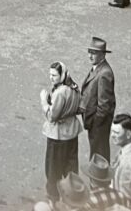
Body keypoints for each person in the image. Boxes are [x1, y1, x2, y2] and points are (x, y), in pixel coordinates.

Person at [40, 60, 83, 203]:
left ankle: (53, 199)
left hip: (57, 136)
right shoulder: (75, 89)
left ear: (62, 75)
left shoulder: (60, 92)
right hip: (71, 133)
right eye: (50, 75)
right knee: (70, 167)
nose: (51, 78)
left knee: (53, 169)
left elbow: (52, 116)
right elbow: (79, 108)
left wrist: (44, 102)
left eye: (54, 75)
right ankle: (71, 197)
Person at [80, 37, 116, 161]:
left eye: (94, 53)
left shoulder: (105, 73)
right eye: (89, 52)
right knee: (96, 153)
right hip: (95, 123)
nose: (90, 56)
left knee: (99, 157)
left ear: (102, 55)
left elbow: (104, 106)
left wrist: (94, 123)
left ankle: (100, 179)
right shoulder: (98, 68)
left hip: (98, 126)